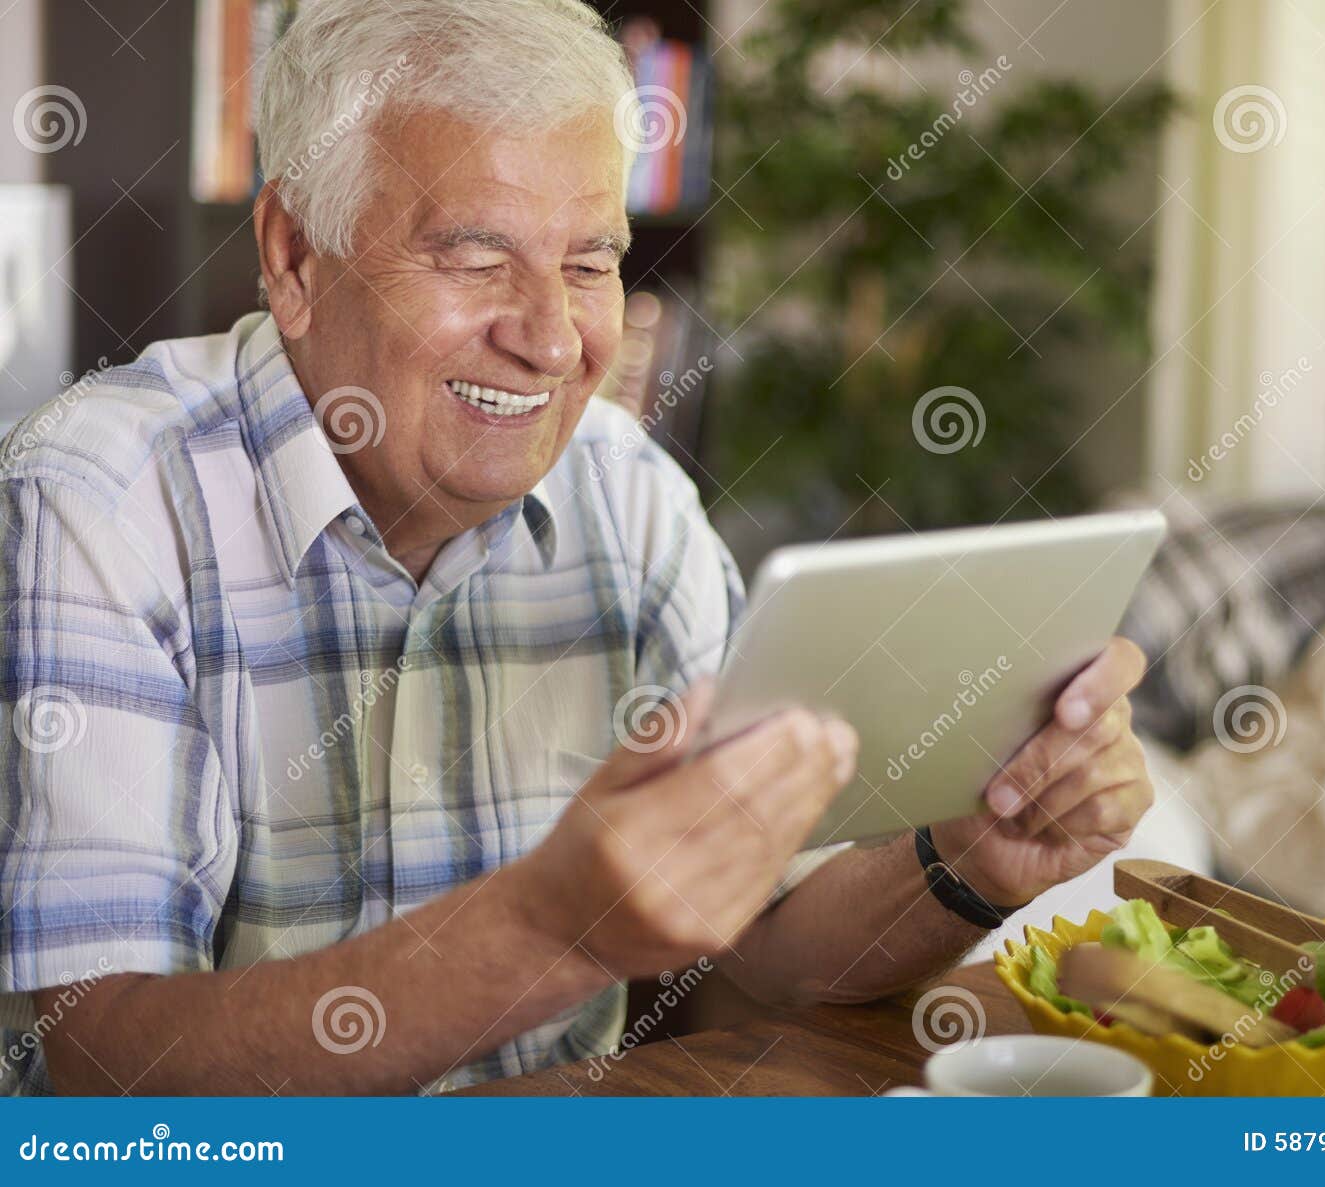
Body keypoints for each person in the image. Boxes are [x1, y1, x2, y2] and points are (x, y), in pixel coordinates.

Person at [0, 0, 1152, 1095]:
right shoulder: (102, 495)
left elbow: (762, 938)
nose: (551, 339)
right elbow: (104, 1067)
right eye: (474, 256)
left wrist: (966, 858)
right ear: (295, 259)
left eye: (591, 260)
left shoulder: (629, 491)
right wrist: (547, 925)